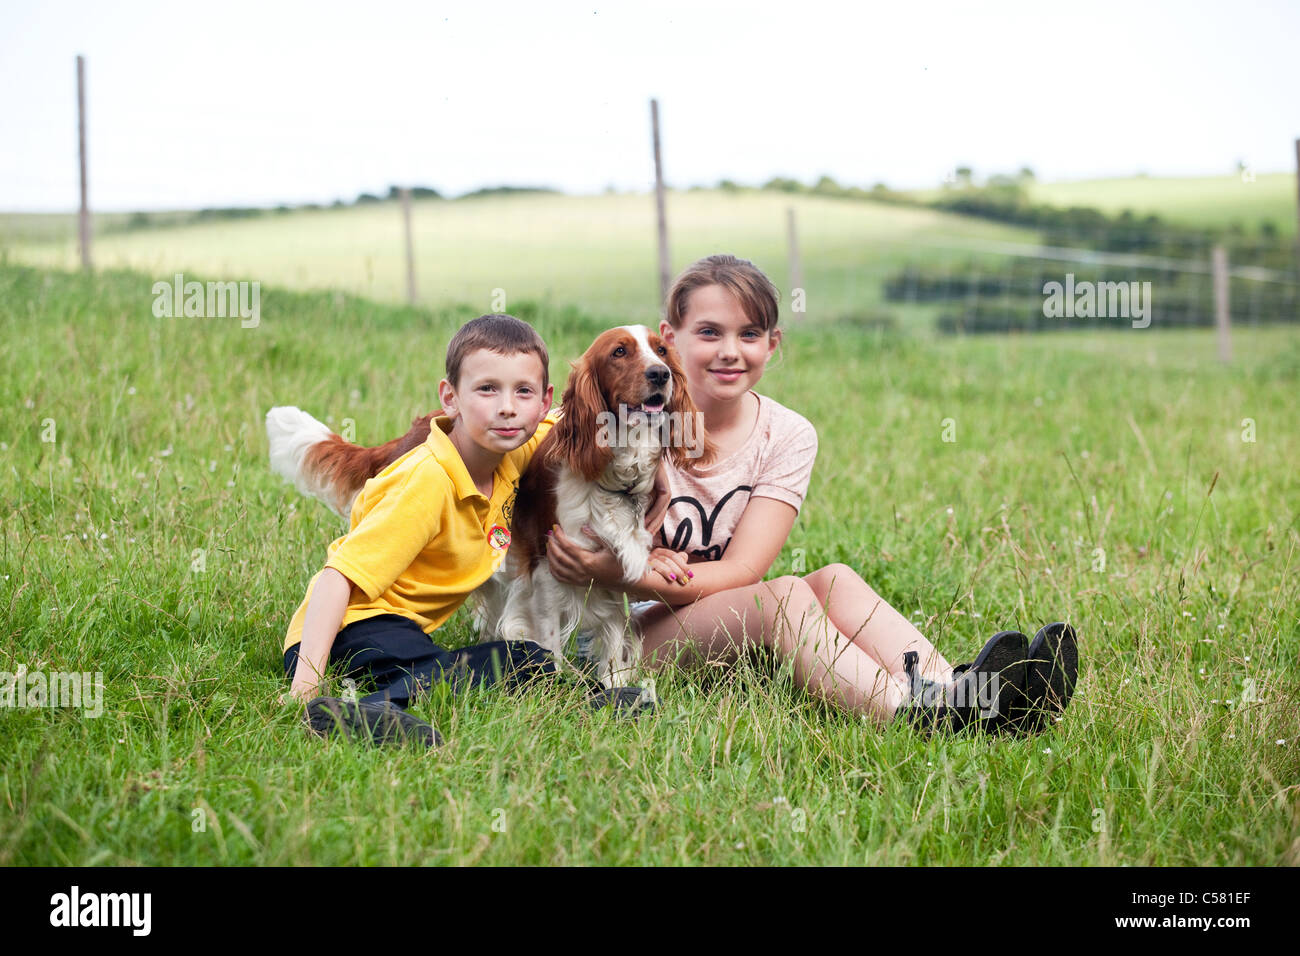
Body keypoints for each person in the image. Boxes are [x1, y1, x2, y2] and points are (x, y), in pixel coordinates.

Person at [545, 255, 1078, 733]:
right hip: (628, 633)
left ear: (771, 344)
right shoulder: (624, 421)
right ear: (669, 339)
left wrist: (618, 568)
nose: (729, 351)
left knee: (833, 580)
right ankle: (910, 712)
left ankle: (962, 689)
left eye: (749, 334)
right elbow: (525, 440)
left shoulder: (788, 434)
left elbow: (741, 571)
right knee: (782, 598)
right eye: (708, 332)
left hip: (708, 608)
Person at [280, 313, 565, 746]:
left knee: (527, 661)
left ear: (542, 402)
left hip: (401, 633)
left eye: (522, 391)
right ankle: (347, 711)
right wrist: (306, 683)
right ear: (450, 398)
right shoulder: (428, 480)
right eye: (487, 388)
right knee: (448, 667)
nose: (507, 406)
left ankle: (596, 699)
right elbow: (337, 577)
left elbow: (580, 415)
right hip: (349, 629)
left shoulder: (512, 449)